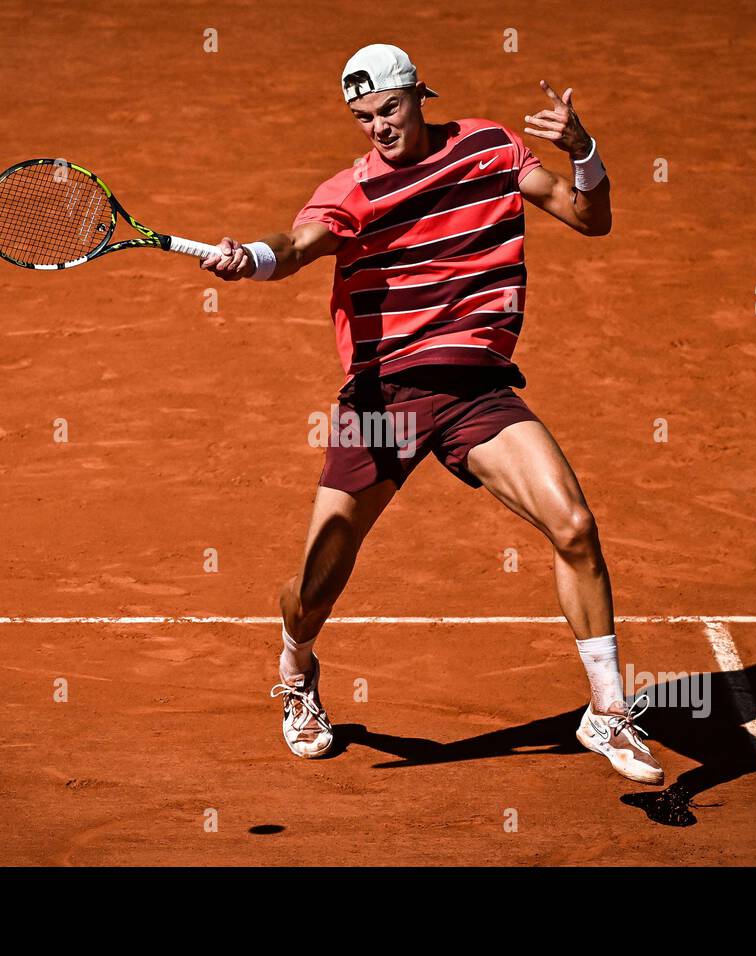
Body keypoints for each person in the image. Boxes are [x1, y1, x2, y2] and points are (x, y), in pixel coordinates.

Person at [198, 43, 662, 785]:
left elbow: (588, 218)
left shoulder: (491, 145)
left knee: (573, 524)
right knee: (321, 573)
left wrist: (586, 152)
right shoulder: (353, 191)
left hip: (475, 390)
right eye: (362, 117)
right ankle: (296, 666)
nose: (377, 127)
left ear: (419, 96)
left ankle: (607, 710)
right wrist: (248, 257)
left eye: (387, 109)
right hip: (383, 400)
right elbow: (294, 246)